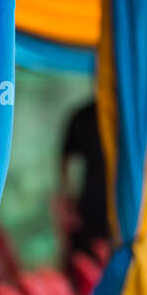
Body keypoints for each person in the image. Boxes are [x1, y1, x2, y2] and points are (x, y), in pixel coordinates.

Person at [55, 99, 110, 266]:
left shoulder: (131, 113)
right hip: (91, 203)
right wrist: (67, 197)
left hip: (123, 203)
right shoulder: (85, 116)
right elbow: (65, 159)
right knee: (85, 261)